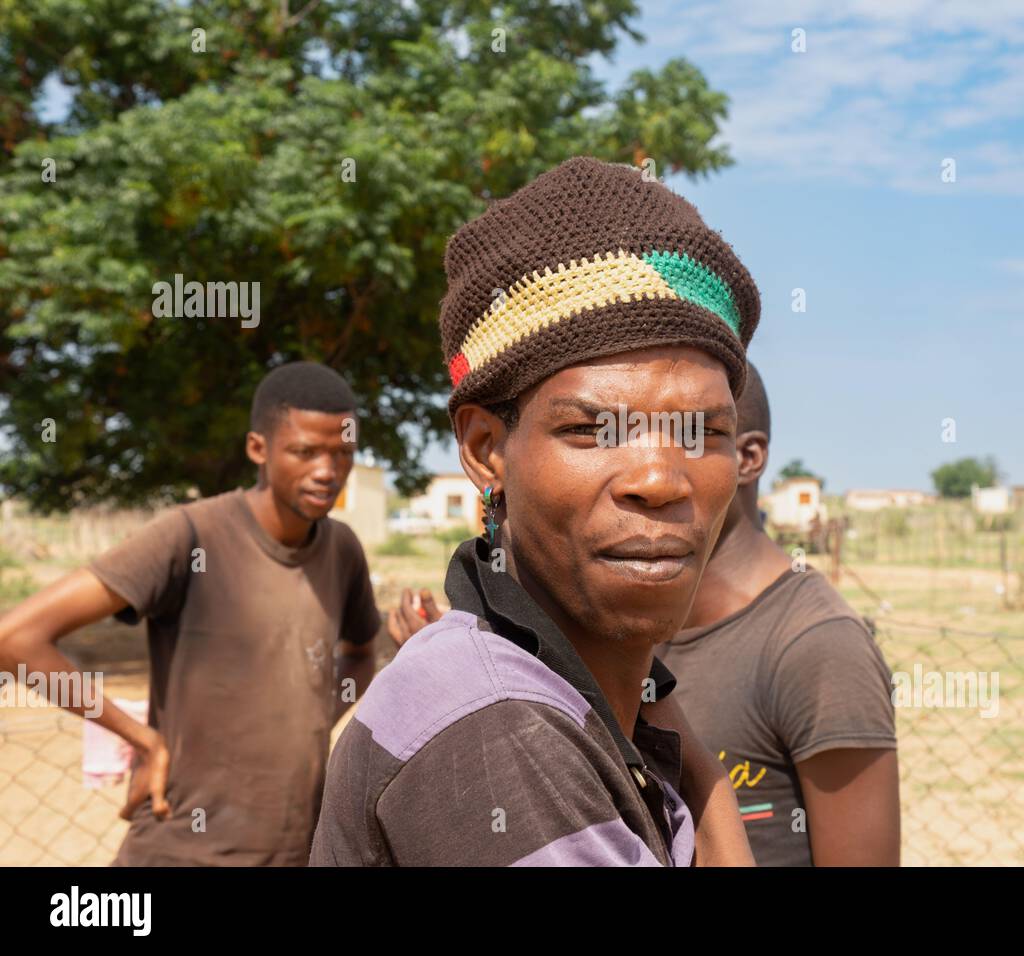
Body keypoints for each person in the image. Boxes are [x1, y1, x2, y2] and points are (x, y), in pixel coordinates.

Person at [310, 156, 759, 866]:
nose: (658, 477)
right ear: (487, 450)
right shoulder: (496, 734)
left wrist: (696, 771)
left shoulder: (590, 692)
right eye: (589, 429)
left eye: (702, 433)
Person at [0, 362, 383, 865]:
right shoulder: (191, 536)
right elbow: (16, 639)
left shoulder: (342, 550)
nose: (327, 471)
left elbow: (360, 653)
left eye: (342, 453)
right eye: (305, 452)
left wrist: (315, 721)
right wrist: (141, 738)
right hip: (181, 849)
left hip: (293, 850)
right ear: (257, 449)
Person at [656, 363, 901, 866]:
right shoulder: (634, 625)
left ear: (747, 458)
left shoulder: (818, 646)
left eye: (684, 436)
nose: (651, 471)